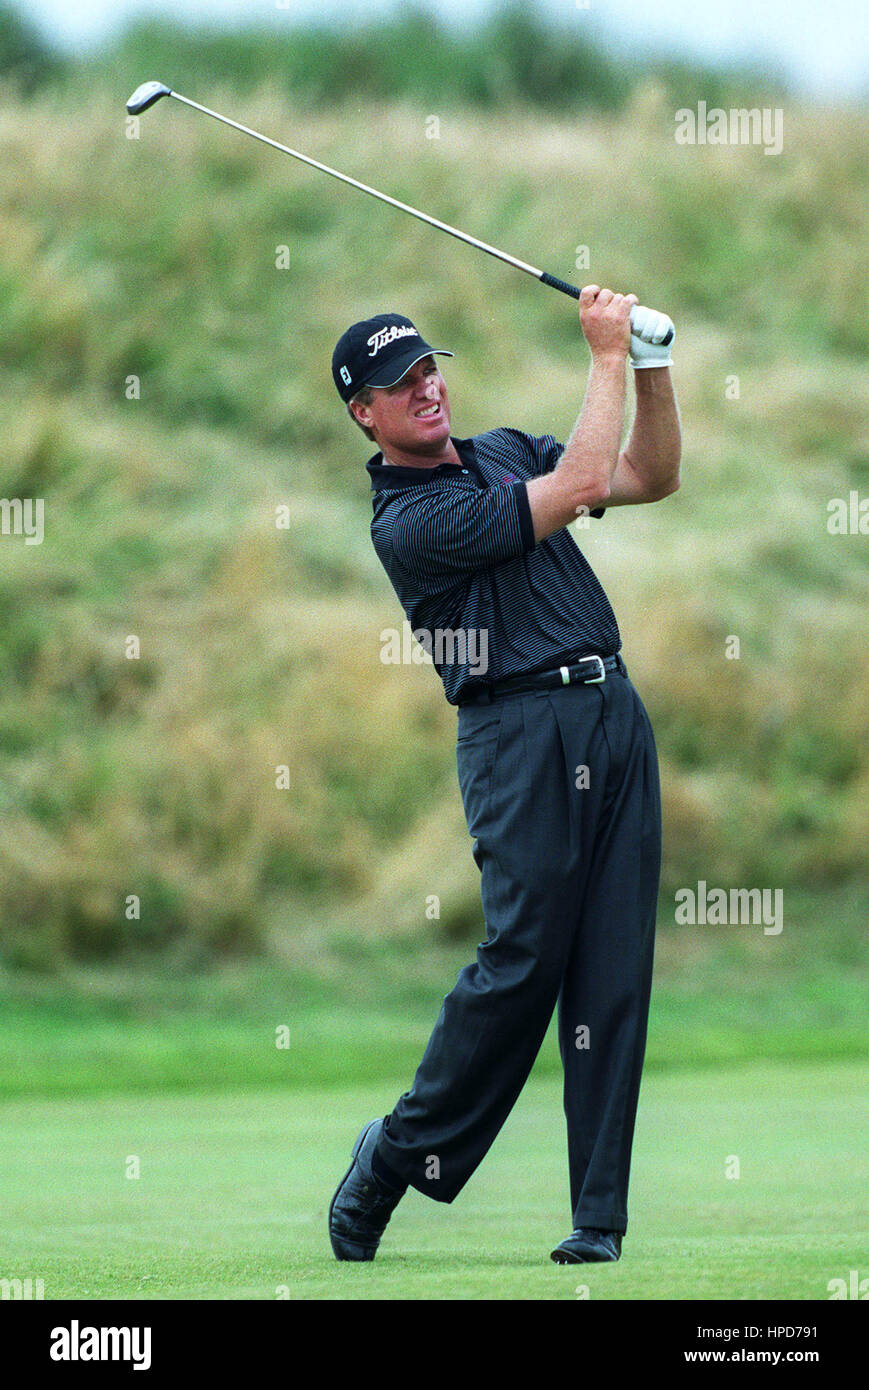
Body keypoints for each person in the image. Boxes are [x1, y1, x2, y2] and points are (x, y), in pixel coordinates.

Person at [327, 287, 681, 1264]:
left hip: (610, 712)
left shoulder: (503, 450)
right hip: (516, 733)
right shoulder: (409, 519)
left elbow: (647, 475)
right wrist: (604, 355)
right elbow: (570, 491)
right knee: (521, 963)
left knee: (611, 969)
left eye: (428, 368)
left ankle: (595, 1220)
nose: (424, 388)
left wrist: (649, 368)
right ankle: (394, 1156)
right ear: (364, 412)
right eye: (399, 384)